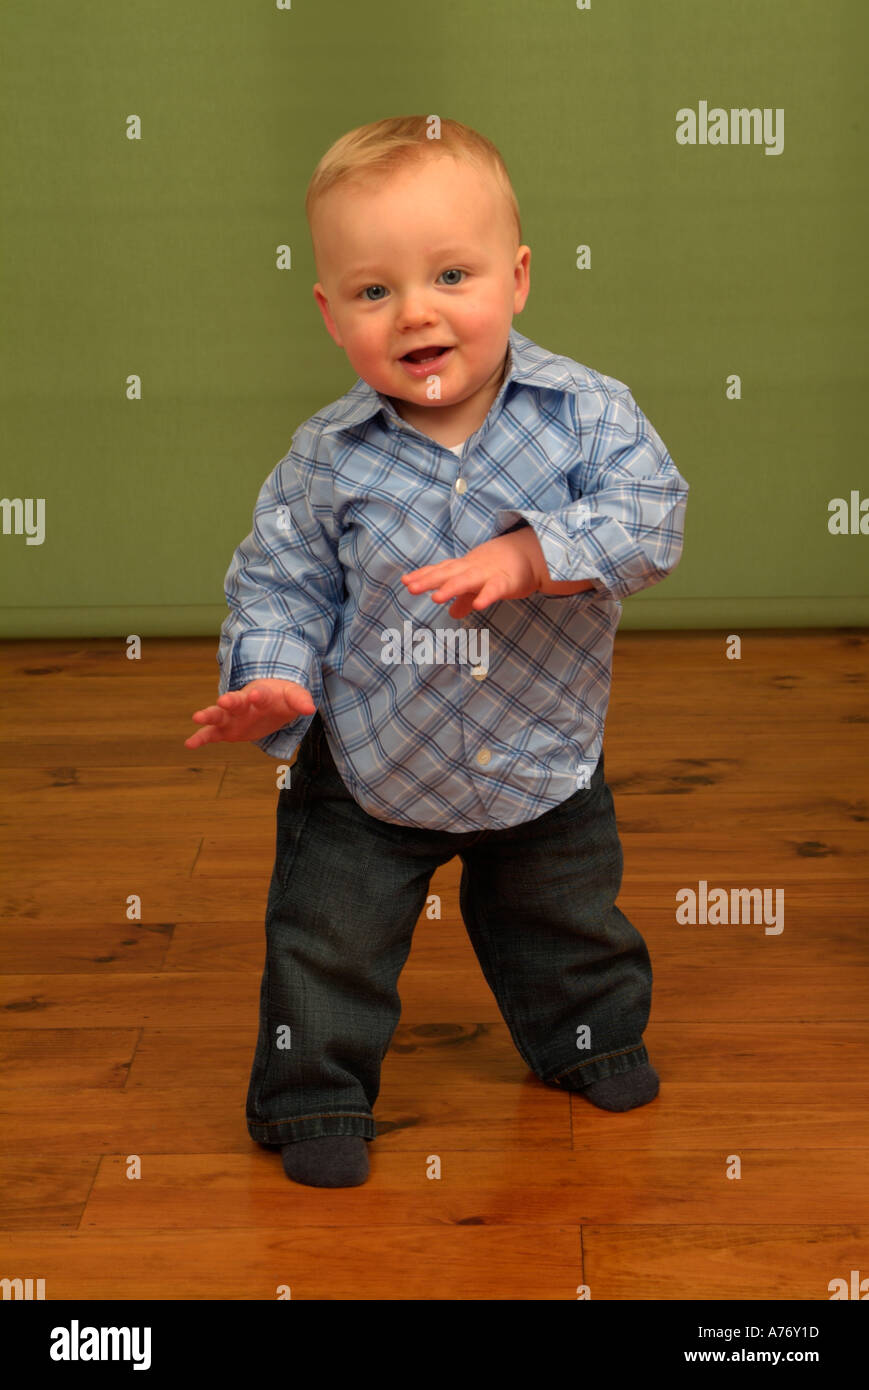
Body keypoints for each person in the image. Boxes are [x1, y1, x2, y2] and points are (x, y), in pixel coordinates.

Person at [185, 115, 689, 1188]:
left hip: (536, 748)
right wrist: (272, 676)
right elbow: (280, 579)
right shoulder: (326, 459)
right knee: (326, 939)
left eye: (450, 274)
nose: (415, 311)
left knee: (565, 912)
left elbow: (652, 518)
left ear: (515, 279)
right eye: (373, 291)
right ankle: (314, 1089)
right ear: (330, 314)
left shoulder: (585, 416)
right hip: (371, 756)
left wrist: (535, 551)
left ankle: (589, 1033)